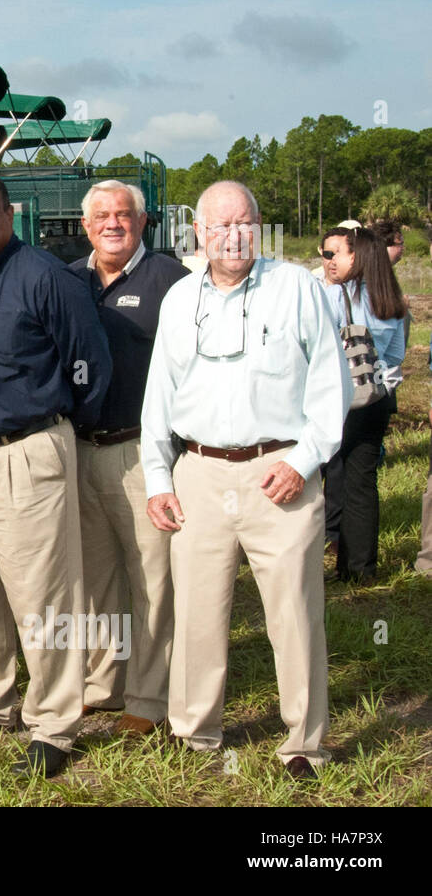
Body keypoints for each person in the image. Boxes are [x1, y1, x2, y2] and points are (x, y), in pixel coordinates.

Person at [142, 180, 350, 781]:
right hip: (199, 474)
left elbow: (329, 387)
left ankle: (305, 743)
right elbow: (160, 396)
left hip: (278, 475)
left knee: (294, 613)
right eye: (219, 225)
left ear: (259, 229)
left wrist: (303, 461)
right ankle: (195, 731)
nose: (232, 235)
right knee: (199, 612)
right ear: (198, 234)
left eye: (244, 223)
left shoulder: (299, 289)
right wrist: (160, 478)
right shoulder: (180, 299)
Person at [0, 172, 111, 778]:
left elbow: (89, 366)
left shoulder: (46, 276)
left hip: (28, 454)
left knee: (43, 597)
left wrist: (52, 430)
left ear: (8, 213)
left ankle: (55, 723)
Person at [70, 181, 189, 736]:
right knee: (97, 580)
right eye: (101, 216)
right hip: (81, 448)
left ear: (143, 223)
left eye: (124, 214)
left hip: (144, 452)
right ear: (86, 224)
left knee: (152, 578)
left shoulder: (171, 281)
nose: (112, 223)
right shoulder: (70, 280)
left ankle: (149, 694)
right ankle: (103, 683)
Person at [320, 226, 405, 583]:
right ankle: (361, 568)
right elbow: (398, 355)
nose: (331, 261)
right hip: (377, 398)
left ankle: (338, 557)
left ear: (357, 256)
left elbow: (322, 345)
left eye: (336, 253)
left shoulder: (339, 296)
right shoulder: (392, 299)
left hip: (344, 398)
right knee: (363, 482)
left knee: (334, 479)